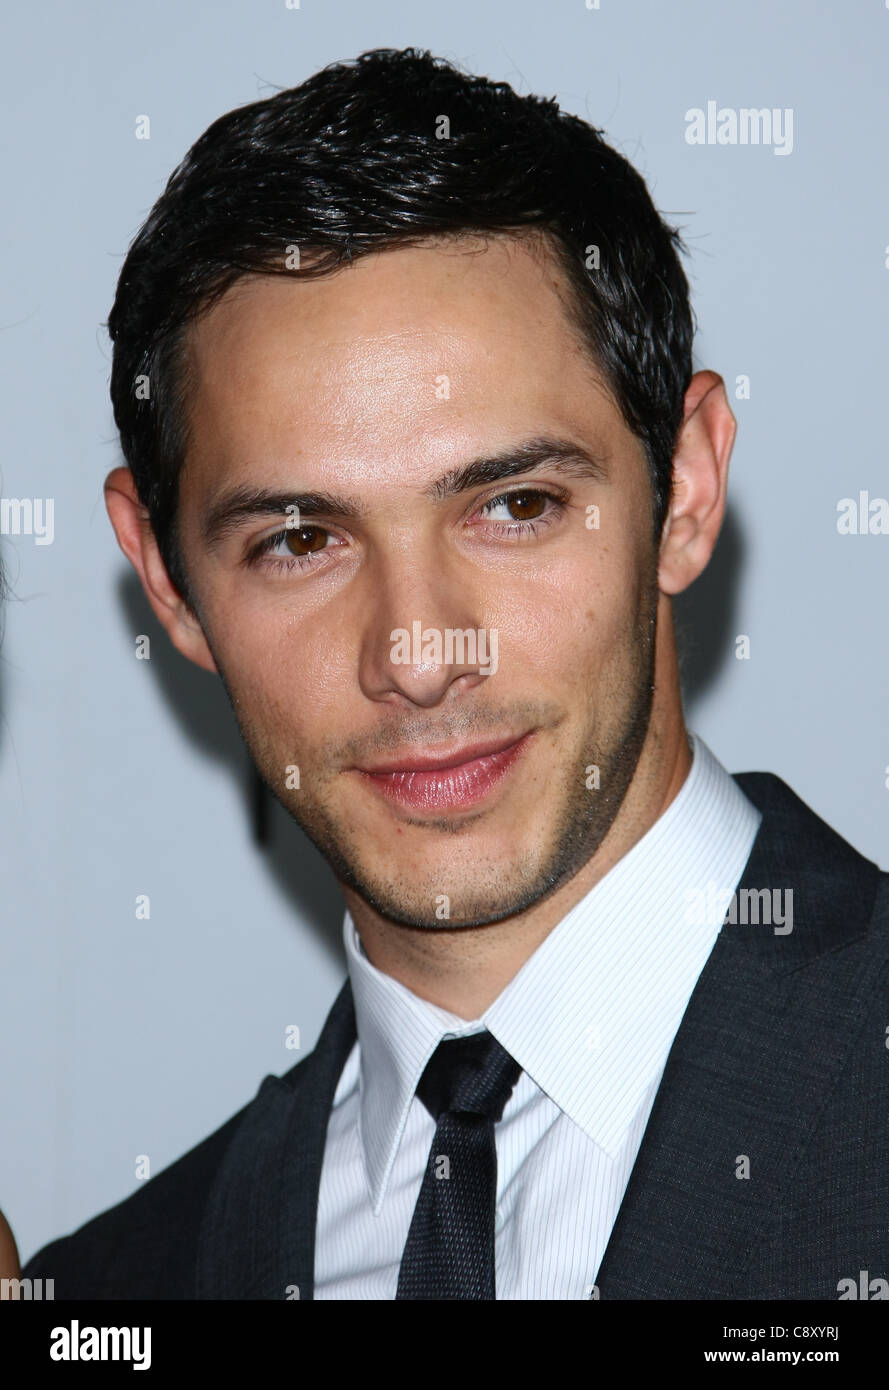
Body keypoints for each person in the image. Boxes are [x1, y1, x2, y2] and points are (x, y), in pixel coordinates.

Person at [22, 47, 889, 1300]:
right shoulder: (111, 1294)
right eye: (300, 540)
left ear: (685, 490)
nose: (417, 657)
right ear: (167, 579)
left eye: (516, 505)